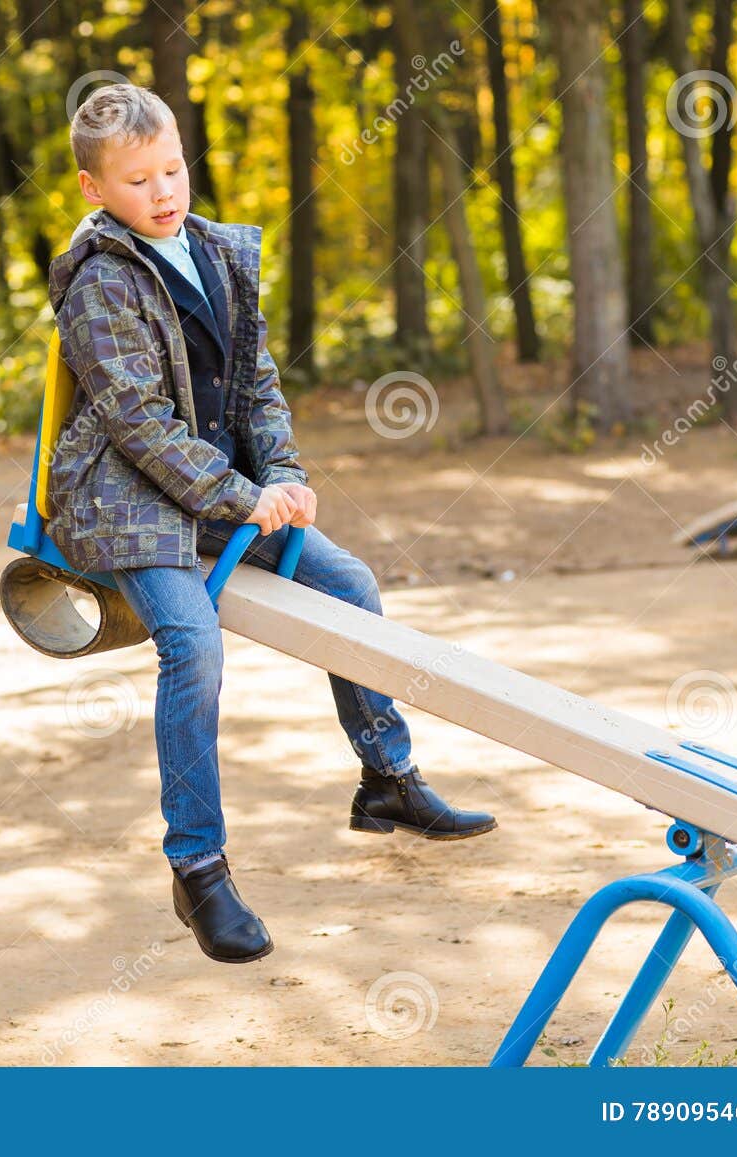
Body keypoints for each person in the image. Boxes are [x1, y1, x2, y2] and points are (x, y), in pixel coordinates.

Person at [44, 83, 496, 964]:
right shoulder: (100, 281)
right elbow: (136, 422)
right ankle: (199, 869)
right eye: (138, 182)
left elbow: (257, 384)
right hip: (130, 500)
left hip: (218, 492)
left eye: (173, 168)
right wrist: (241, 497)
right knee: (194, 641)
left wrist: (280, 473)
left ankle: (387, 780)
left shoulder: (216, 251)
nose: (165, 192)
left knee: (350, 584)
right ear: (96, 192)